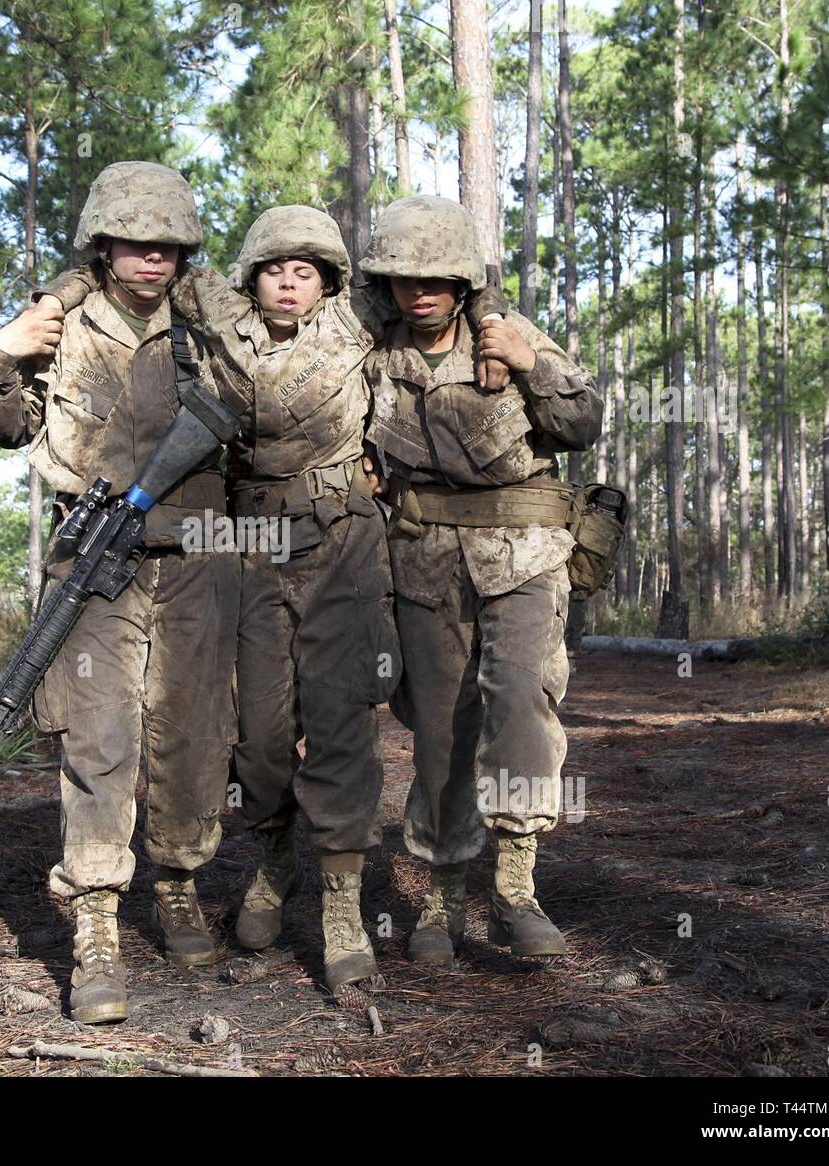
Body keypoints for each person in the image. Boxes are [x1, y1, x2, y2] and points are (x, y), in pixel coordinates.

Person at [33, 204, 507, 994]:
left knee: (341, 721)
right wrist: (52, 300)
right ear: (250, 277)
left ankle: (344, 904)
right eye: (275, 272)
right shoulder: (212, 309)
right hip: (247, 541)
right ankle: (275, 850)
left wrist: (491, 321)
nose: (290, 285)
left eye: (306, 272)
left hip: (342, 539)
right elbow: (130, 266)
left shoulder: (361, 317)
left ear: (331, 282)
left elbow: (442, 282)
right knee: (253, 736)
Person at [0, 161, 239, 1025]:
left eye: (167, 246)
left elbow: (292, 368)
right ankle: (94, 927)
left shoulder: (214, 317)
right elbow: (7, 428)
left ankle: (181, 882)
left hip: (199, 554)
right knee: (99, 740)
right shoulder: (61, 322)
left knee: (194, 736)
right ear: (104, 244)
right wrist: (1, 354)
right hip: (93, 556)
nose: (151, 260)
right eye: (134, 244)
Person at [361, 195, 603, 961]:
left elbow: (582, 423)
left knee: (522, 701)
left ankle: (516, 886)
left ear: (463, 280)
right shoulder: (373, 351)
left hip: (525, 551)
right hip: (425, 556)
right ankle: (440, 894)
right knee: (439, 725)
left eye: (436, 277)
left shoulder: (509, 333)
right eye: (405, 278)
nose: (420, 291)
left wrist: (530, 365)